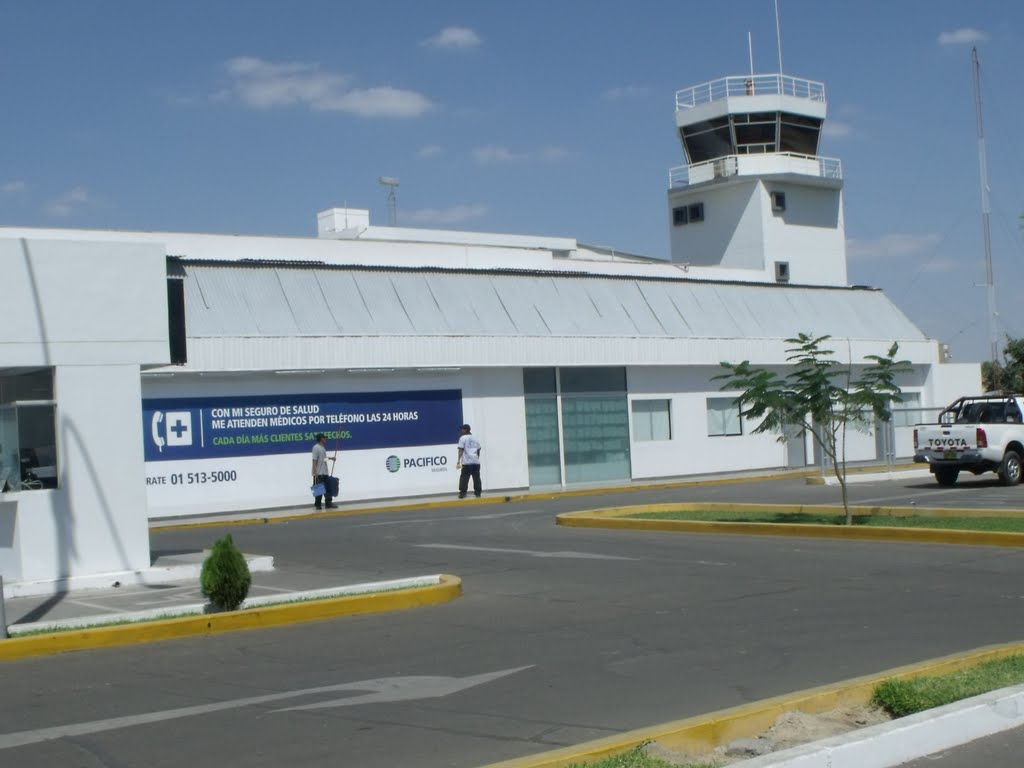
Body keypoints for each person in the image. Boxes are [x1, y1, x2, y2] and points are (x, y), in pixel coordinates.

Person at [456, 423, 483, 498]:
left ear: (465, 430)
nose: (461, 431)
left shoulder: (463, 438)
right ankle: (478, 493)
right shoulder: (475, 438)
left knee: (464, 478)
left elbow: (461, 450)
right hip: (476, 462)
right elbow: (478, 449)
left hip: (467, 462)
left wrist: (458, 460)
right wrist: (477, 458)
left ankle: (463, 493)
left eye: (462, 429)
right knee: (476, 478)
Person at [311, 433, 335, 510]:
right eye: (324, 438)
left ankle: (328, 503)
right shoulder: (316, 447)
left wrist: (331, 458)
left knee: (328, 489)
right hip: (319, 473)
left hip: (324, 472)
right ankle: (318, 505)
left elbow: (323, 459)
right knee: (319, 490)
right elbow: (314, 460)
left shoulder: (323, 448)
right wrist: (315, 472)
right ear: (321, 439)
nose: (326, 439)